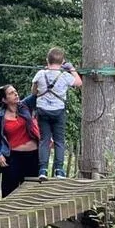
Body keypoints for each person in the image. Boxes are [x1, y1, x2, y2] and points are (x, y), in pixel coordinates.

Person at [0, 84, 41, 228]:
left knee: (28, 194)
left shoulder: (25, 107)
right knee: (9, 194)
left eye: (16, 92)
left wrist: (43, 75)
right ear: (5, 99)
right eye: (11, 93)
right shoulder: (0, 118)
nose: (16, 94)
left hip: (32, 157)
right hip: (13, 157)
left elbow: (36, 94)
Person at [31, 47, 82, 179]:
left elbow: (34, 92)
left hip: (42, 111)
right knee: (59, 141)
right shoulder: (65, 75)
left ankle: (42, 170)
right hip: (58, 112)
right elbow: (79, 83)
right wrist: (72, 69)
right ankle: (59, 170)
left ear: (47, 60)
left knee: (44, 140)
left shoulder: (40, 74)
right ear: (63, 61)